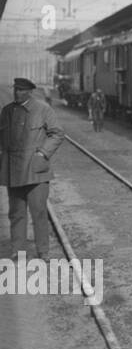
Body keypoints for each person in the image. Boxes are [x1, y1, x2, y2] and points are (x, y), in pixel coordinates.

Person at [1, 79, 65, 261]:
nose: (17, 93)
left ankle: (43, 251)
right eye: (15, 89)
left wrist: (43, 153)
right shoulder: (7, 111)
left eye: (21, 90)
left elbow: (58, 133)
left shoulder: (43, 109)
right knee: (16, 214)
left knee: (39, 212)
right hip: (13, 171)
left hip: (36, 171)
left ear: (29, 91)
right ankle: (18, 251)